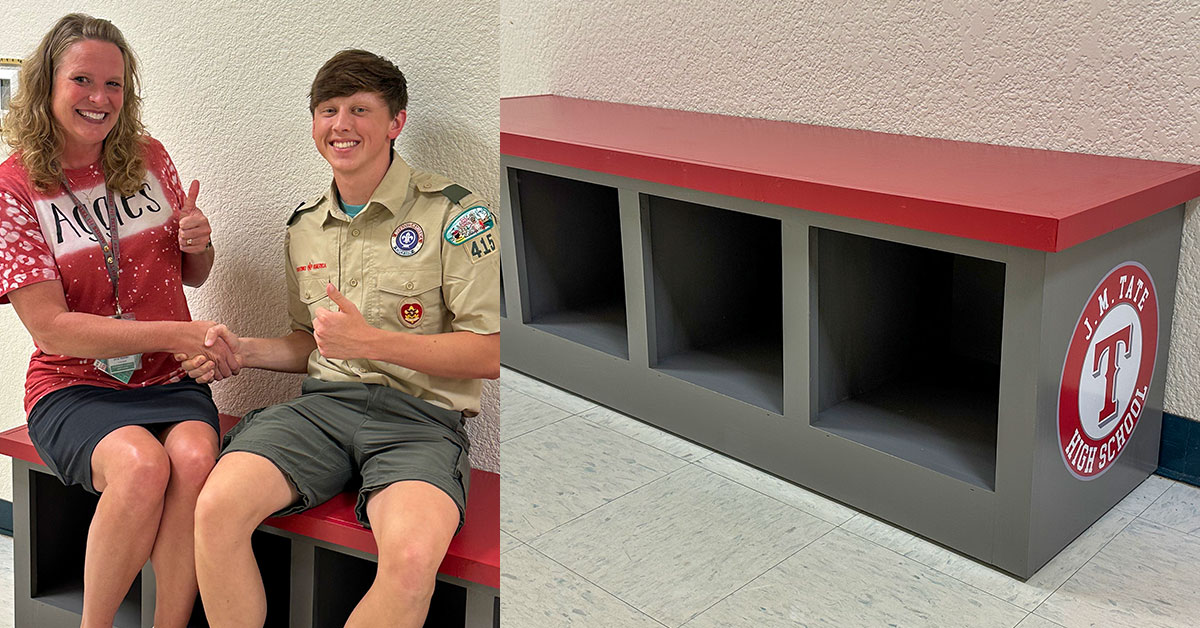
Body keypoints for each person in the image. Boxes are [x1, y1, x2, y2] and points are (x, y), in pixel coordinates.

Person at [186, 49, 499, 627]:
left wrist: (373, 343)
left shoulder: (456, 215)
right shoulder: (304, 226)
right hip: (321, 413)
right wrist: (243, 351)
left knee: (408, 560)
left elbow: (492, 352)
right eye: (328, 110)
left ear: (395, 122)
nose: (341, 125)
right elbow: (313, 343)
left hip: (420, 423)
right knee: (216, 508)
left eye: (360, 109)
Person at [0, 13, 240, 628]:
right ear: (46, 87)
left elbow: (193, 276)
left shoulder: (149, 157)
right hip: (73, 384)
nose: (100, 98)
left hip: (167, 379)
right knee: (140, 465)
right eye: (82, 80)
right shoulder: (14, 186)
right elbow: (51, 328)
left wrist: (198, 242)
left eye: (115, 84)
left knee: (193, 458)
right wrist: (175, 334)